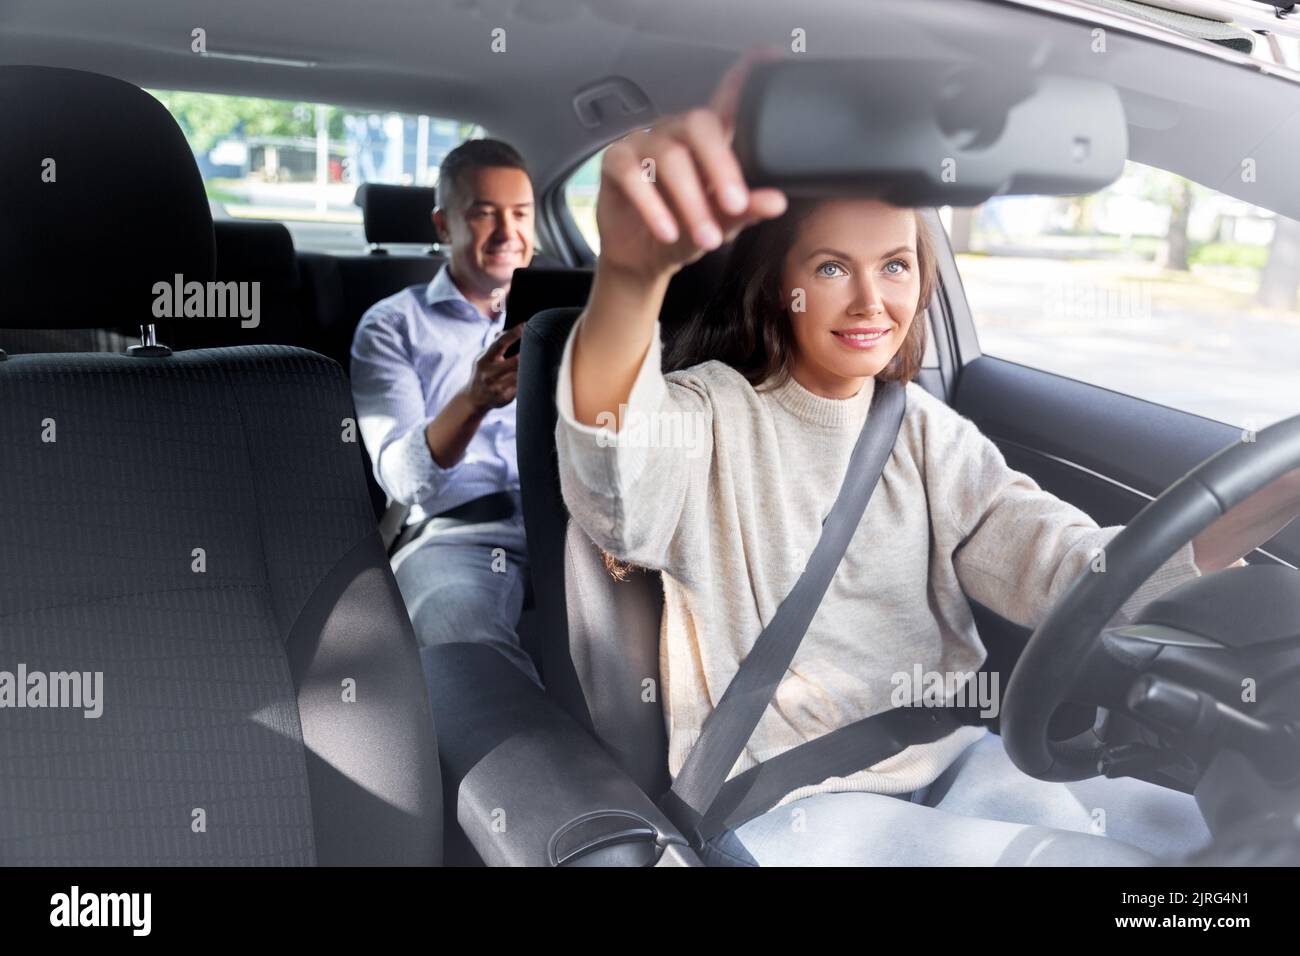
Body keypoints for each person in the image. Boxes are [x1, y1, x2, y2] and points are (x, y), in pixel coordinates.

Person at [554, 51, 1300, 865]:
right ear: (779, 284)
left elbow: (1079, 573)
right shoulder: (710, 412)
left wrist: (1284, 486)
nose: (873, 301)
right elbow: (616, 487)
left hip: (966, 761)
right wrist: (630, 277)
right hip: (800, 806)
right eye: (832, 266)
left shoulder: (927, 433)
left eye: (897, 266)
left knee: (1223, 843)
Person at [351, 138, 541, 686]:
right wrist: (474, 399)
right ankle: (525, 768)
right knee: (463, 640)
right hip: (456, 532)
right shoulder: (392, 325)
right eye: (484, 214)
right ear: (443, 225)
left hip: (575, 524)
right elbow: (405, 482)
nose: (508, 233)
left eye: (521, 214)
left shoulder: (573, 315)